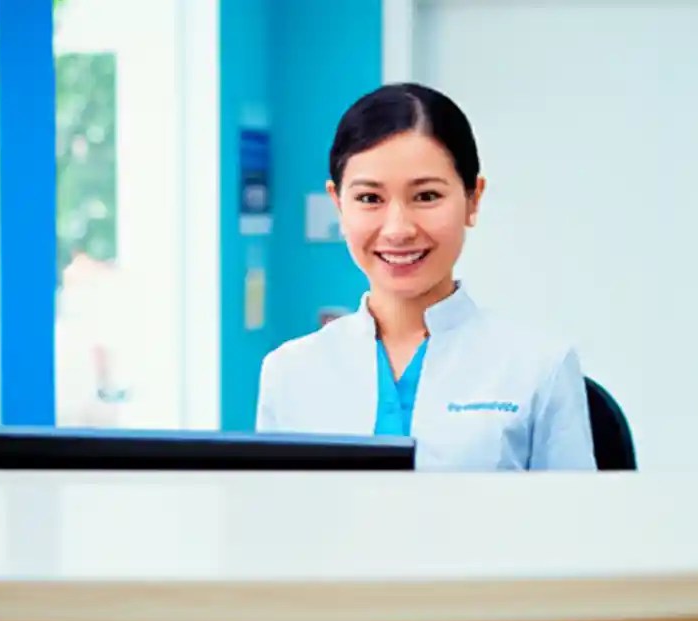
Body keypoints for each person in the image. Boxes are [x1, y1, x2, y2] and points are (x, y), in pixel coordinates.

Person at [255, 82, 596, 471]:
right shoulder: (290, 372)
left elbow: (575, 511)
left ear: (473, 199)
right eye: (369, 199)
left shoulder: (539, 367)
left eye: (427, 196)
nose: (398, 229)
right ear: (339, 205)